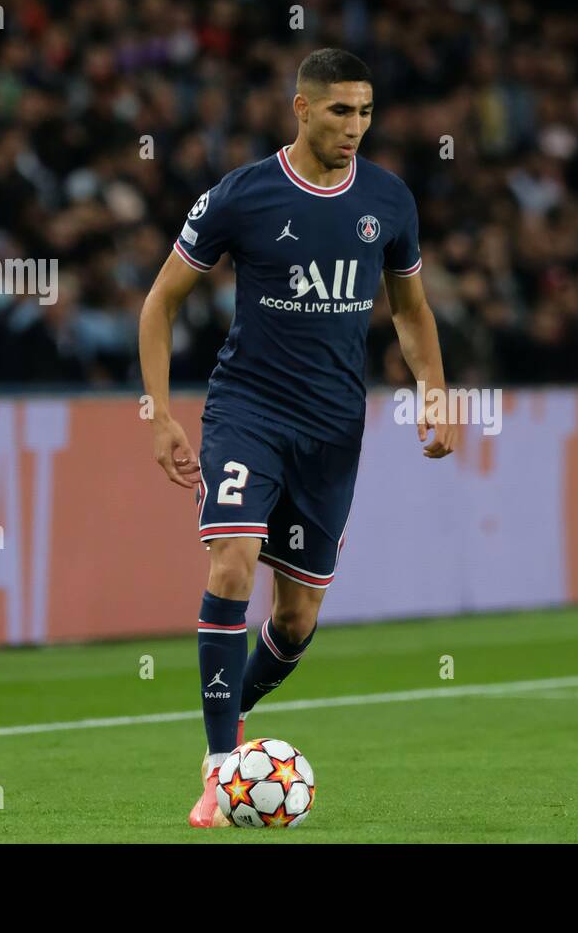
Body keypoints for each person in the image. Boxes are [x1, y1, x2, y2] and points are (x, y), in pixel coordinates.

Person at [138, 48, 457, 828]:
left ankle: (232, 716)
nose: (356, 127)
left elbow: (411, 310)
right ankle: (220, 768)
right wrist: (160, 413)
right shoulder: (241, 196)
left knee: (296, 621)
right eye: (341, 111)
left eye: (366, 111)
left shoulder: (388, 199)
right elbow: (160, 303)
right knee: (232, 559)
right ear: (302, 109)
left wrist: (436, 390)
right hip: (247, 411)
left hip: (332, 429)